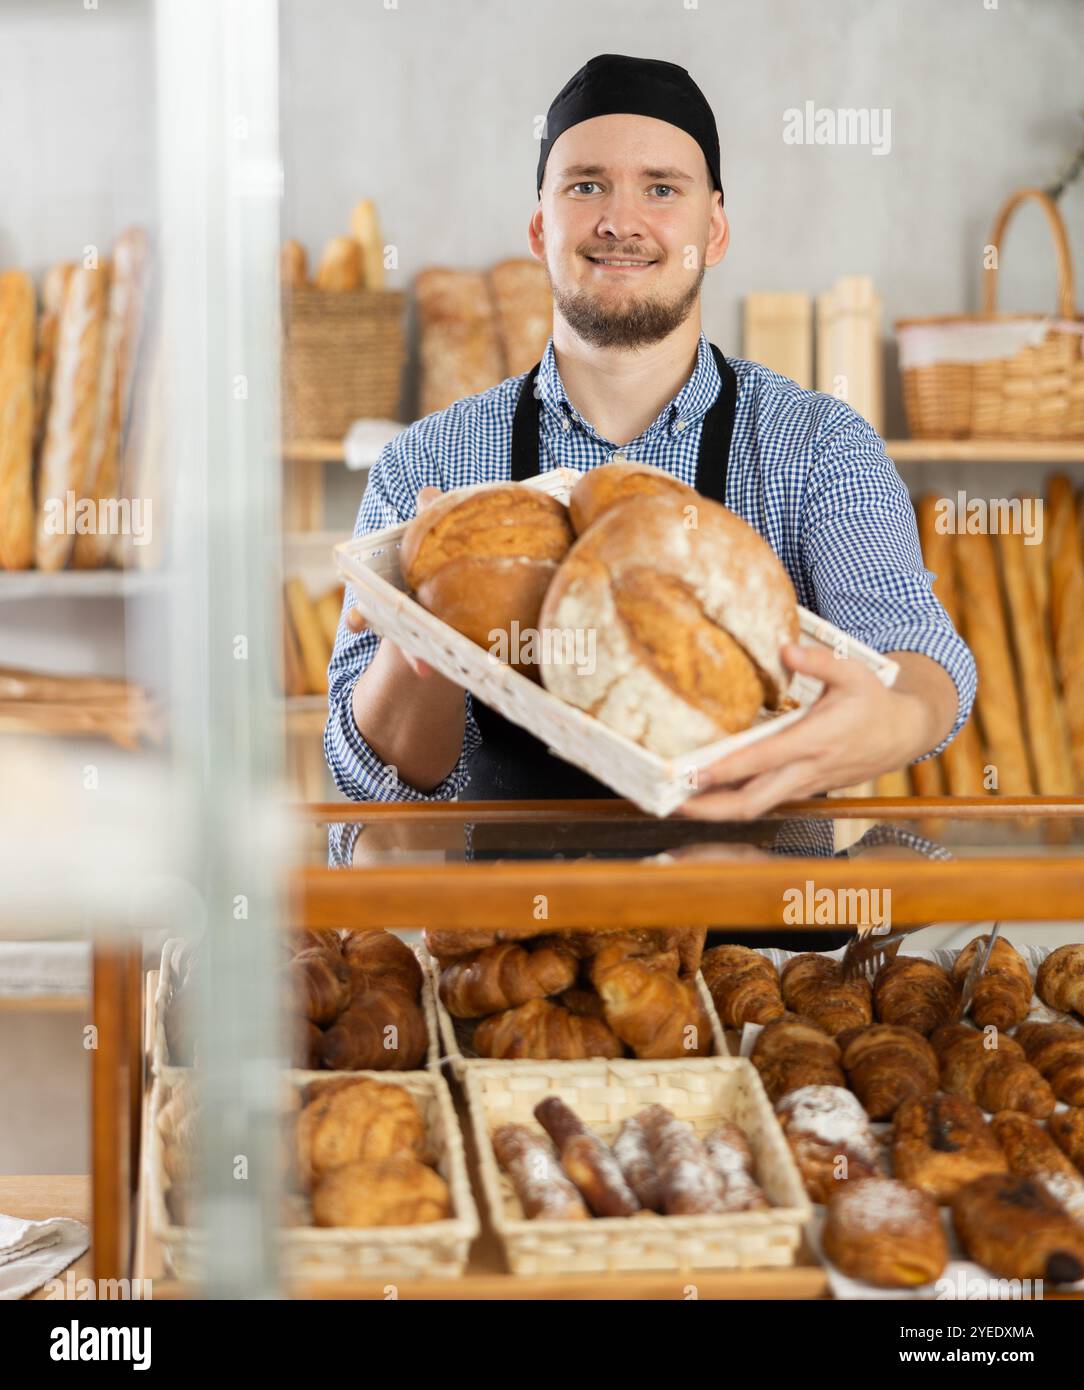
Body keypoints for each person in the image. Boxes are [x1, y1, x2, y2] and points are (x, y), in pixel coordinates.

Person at [324, 53, 975, 821]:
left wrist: (897, 717)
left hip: (754, 931)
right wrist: (418, 637)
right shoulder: (429, 464)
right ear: (541, 226)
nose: (620, 221)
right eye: (586, 185)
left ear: (716, 227)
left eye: (661, 189)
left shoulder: (817, 444)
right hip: (516, 932)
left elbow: (918, 656)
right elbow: (372, 782)